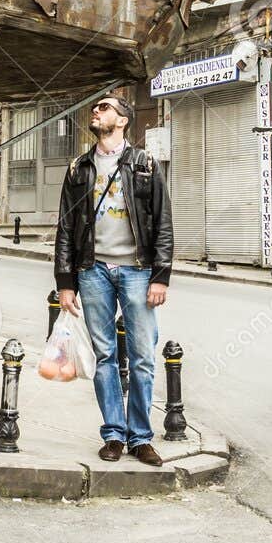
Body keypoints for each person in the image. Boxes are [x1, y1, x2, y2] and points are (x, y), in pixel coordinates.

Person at [54, 95, 173, 465]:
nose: (96, 111)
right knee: (105, 354)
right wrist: (66, 281)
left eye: (104, 107)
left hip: (138, 270)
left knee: (141, 357)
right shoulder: (79, 168)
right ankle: (114, 435)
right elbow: (66, 226)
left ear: (122, 121)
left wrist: (161, 275)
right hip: (93, 271)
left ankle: (140, 437)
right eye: (96, 107)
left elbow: (163, 221)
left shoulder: (145, 164)